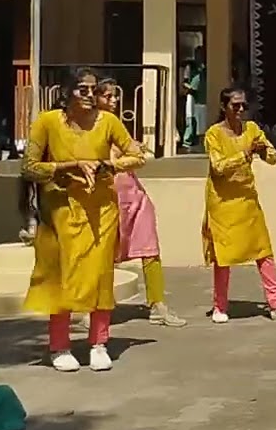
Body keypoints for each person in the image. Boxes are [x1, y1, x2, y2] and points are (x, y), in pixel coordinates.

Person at [21, 67, 145, 372]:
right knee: (62, 276)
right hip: (61, 209)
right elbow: (28, 167)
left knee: (101, 275)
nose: (90, 95)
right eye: (82, 89)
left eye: (93, 89)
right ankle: (59, 346)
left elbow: (138, 156)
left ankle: (99, 342)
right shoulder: (47, 123)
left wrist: (106, 165)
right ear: (66, 93)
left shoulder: (109, 122)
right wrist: (67, 167)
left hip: (101, 210)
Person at [203, 86, 276, 324]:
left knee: (264, 252)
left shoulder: (252, 129)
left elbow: (273, 157)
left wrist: (264, 150)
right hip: (223, 203)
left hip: (248, 200)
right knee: (223, 257)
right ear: (223, 107)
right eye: (234, 106)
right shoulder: (213, 134)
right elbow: (218, 168)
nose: (240, 110)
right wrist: (244, 155)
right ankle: (219, 305)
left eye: (243, 106)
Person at [95, 79, 186, 327]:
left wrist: (119, 160)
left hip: (134, 196)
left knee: (150, 250)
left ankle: (158, 305)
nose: (114, 101)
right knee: (103, 255)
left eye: (115, 96)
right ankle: (95, 308)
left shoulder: (116, 127)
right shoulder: (89, 129)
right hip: (106, 199)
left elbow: (137, 157)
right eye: (108, 96)